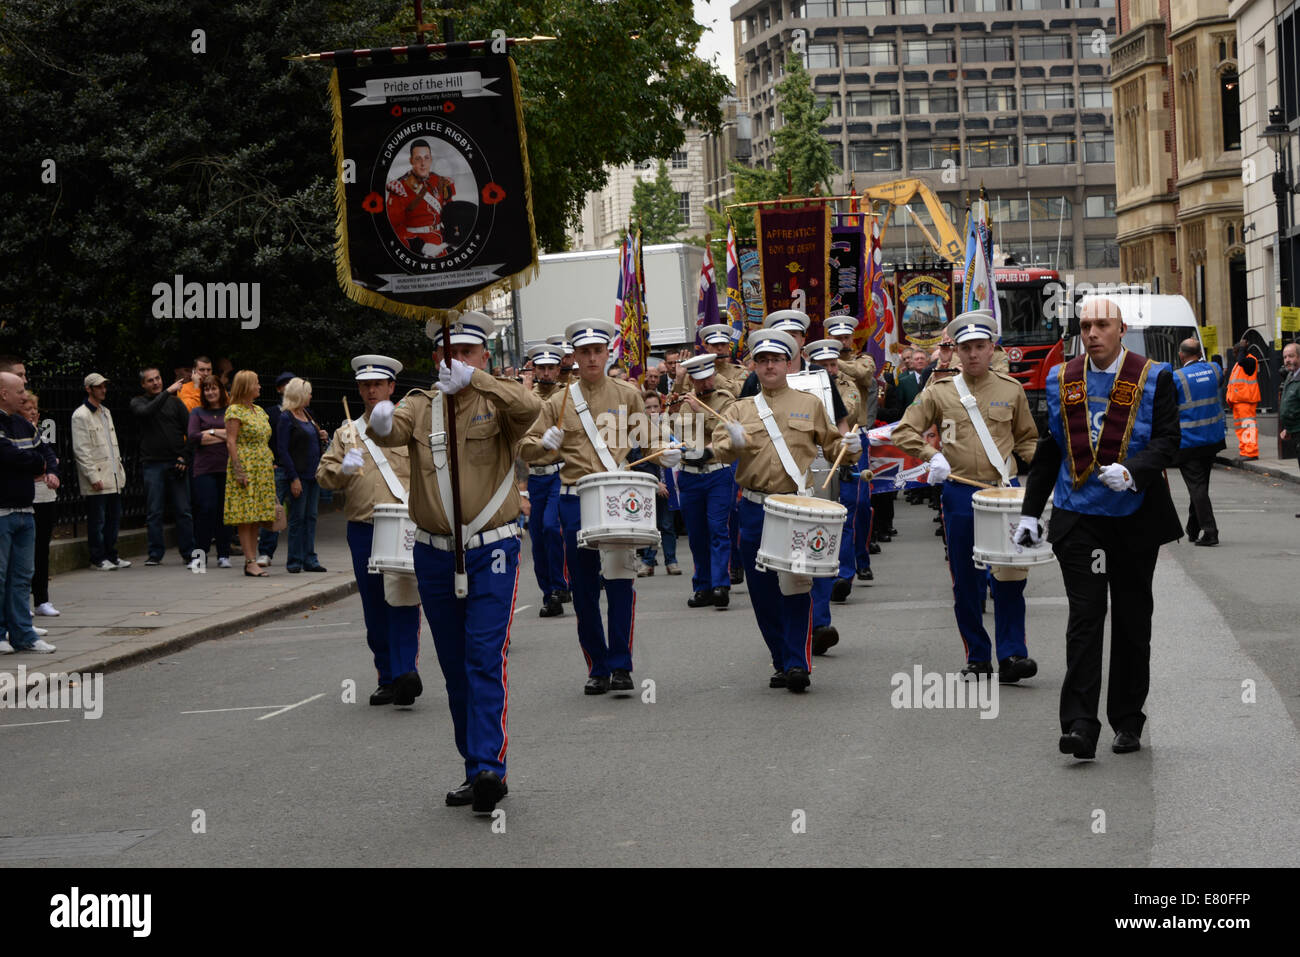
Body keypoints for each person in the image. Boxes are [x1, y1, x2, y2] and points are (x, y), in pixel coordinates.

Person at [368, 312, 542, 814]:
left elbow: (531, 409)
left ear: (483, 356)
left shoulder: (498, 400)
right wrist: (379, 419)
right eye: (449, 354)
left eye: (467, 353)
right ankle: (473, 768)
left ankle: (491, 767)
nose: (456, 361)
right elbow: (391, 430)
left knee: (484, 655)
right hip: (433, 552)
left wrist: (479, 381)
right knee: (453, 664)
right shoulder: (420, 405)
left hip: (492, 548)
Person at [1017, 297, 1182, 760]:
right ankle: (1080, 726)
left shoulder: (1156, 377)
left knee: (1132, 621)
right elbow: (1051, 448)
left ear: (1121, 329)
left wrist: (1134, 471)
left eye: (1102, 324)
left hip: (1134, 519)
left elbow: (1170, 441)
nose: (1092, 333)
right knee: (1085, 620)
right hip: (1080, 518)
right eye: (1086, 325)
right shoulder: (1061, 378)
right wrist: (1032, 511)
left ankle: (1127, 720)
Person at [520, 318, 678, 696]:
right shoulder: (557, 401)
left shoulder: (627, 394)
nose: (592, 358)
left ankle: (622, 665)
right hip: (575, 497)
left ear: (608, 353)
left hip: (619, 495)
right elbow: (524, 446)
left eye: (598, 351)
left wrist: (667, 449)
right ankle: (598, 666)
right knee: (585, 589)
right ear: (572, 357)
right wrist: (543, 444)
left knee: (622, 580)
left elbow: (648, 436)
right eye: (584, 352)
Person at [893, 312, 1041, 683]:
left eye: (980, 347)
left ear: (992, 348)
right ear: (956, 351)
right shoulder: (939, 391)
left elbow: (1027, 439)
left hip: (1003, 492)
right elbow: (904, 431)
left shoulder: (1012, 389)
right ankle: (978, 655)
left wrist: (1048, 474)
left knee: (1009, 576)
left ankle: (1012, 655)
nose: (973, 354)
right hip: (959, 492)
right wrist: (933, 456)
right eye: (966, 348)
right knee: (966, 578)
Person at [710, 329, 858, 693]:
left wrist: (851, 446)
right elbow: (718, 449)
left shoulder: (810, 403)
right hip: (755, 508)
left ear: (789, 363)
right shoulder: (738, 409)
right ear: (754, 366)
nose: (770, 365)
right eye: (762, 360)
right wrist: (734, 441)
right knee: (762, 592)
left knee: (796, 585)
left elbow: (833, 443)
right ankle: (781, 658)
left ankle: (797, 663)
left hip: (796, 507)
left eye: (776, 359)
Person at [317, 354, 420, 706]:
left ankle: (406, 672)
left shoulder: (410, 427)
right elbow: (323, 476)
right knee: (375, 606)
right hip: (363, 527)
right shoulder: (347, 432)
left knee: (404, 599)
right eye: (365, 385)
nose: (371, 390)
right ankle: (387, 675)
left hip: (405, 523)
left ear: (392, 387)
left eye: (378, 384)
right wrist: (344, 468)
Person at [804, 338, 875, 605]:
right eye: (824, 365)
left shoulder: (848, 386)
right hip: (813, 456)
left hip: (844, 449)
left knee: (850, 507)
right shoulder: (802, 387)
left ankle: (844, 575)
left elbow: (851, 410)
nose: (831, 370)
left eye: (833, 364)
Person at [673, 354, 737, 608]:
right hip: (690, 474)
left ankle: (721, 585)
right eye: (698, 380)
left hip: (717, 472)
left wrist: (704, 414)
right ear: (692, 380)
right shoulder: (685, 403)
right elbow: (678, 431)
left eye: (708, 378)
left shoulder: (726, 399)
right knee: (697, 535)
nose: (705, 384)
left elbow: (729, 430)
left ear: (713, 374)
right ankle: (703, 586)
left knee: (718, 529)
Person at [0, 371, 55, 654]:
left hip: (25, 510)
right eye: (20, 390)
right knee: (0, 577)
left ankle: (24, 635)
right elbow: (6, 455)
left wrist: (35, 462)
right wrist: (32, 462)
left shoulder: (23, 424)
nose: (25, 395)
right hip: (2, 514)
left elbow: (44, 455)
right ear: (3, 393)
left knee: (22, 577)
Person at [522, 342, 571, 617]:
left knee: (553, 527)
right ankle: (549, 593)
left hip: (558, 473)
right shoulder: (525, 398)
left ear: (558, 368)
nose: (547, 372)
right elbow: (517, 446)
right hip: (535, 478)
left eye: (551, 367)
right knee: (538, 538)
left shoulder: (566, 396)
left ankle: (562, 583)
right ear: (534, 369)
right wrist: (521, 489)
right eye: (541, 367)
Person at [131, 366, 196, 568]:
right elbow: (147, 413)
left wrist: (184, 458)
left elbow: (191, 433)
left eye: (158, 378)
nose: (156, 383)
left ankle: (189, 553)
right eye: (150, 380)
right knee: (154, 511)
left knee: (183, 510)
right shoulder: (138, 402)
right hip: (152, 463)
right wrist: (167, 392)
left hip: (176, 462)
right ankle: (155, 554)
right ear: (143, 384)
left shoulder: (176, 404)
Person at [70, 373, 129, 571]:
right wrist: (92, 476)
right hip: (98, 475)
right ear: (89, 389)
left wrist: (118, 471)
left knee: (113, 518)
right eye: (99, 387)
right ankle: (97, 557)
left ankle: (111, 554)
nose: (103, 390)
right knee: (98, 520)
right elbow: (82, 450)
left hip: (112, 473)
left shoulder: (106, 412)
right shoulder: (80, 415)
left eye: (104, 386)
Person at [1172, 337, 1226, 546]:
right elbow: (1219, 382)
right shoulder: (1214, 369)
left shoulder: (1177, 377)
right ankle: (1193, 528)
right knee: (1201, 485)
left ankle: (1210, 531)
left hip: (1189, 441)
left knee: (1197, 487)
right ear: (1200, 353)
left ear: (1181, 355)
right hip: (1212, 439)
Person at [224, 371, 278, 578]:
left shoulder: (259, 410)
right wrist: (238, 469)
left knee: (256, 516)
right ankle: (249, 561)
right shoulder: (234, 410)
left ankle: (253, 559)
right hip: (246, 466)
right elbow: (231, 441)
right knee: (246, 516)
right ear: (246, 386)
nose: (260, 386)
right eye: (256, 383)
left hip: (262, 467)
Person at [276, 378, 328, 574]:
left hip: (313, 475)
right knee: (298, 518)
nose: (311, 396)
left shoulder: (308, 415)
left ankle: (310, 558)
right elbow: (283, 450)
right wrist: (293, 478)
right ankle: (295, 560)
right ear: (299, 394)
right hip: (298, 475)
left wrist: (321, 435)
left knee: (311, 517)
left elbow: (312, 442)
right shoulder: (286, 418)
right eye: (308, 392)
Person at [187, 374, 234, 568]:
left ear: (221, 390)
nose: (210, 392)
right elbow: (194, 437)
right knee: (206, 509)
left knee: (224, 511)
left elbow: (235, 436)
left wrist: (211, 432)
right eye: (207, 389)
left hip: (226, 468)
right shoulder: (197, 413)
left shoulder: (230, 411)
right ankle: (199, 555)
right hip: (204, 469)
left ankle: (224, 554)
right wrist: (223, 435)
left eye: (214, 388)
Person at [23, 393, 61, 616]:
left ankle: (42, 599)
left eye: (35, 409)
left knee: (42, 550)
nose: (33, 413)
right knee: (25, 553)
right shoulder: (15, 435)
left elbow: (53, 460)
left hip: (46, 497)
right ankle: (22, 602)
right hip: (26, 498)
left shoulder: (42, 434)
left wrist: (51, 469)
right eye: (28, 409)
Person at [386, 139, 457, 259]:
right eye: (418, 159)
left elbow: (450, 214)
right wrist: (420, 246)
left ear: (431, 159)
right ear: (411, 161)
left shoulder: (440, 181)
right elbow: (395, 226)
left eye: (426, 158)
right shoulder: (400, 187)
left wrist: (453, 236)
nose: (423, 163)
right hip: (415, 245)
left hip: (441, 241)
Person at [637, 391, 681, 577]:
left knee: (668, 525)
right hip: (649, 484)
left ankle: (671, 561)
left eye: (656, 406)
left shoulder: (666, 429)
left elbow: (676, 450)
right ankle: (648, 562)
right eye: (648, 407)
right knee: (650, 525)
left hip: (668, 482)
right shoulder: (638, 432)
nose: (653, 410)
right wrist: (655, 483)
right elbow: (639, 460)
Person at [255, 371, 297, 566]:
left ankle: (300, 555)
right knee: (273, 511)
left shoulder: (304, 412)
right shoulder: (271, 413)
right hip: (278, 467)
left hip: (299, 468)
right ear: (279, 389)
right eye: (285, 384)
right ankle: (265, 552)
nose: (290, 387)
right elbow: (265, 439)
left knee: (301, 514)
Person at [1226, 339, 1261, 459]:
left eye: (1236, 352)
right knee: (1241, 429)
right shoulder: (1240, 363)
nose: (1235, 355)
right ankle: (1245, 451)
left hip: (1246, 400)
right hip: (1239, 401)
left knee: (1248, 427)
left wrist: (1241, 348)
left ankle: (1251, 452)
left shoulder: (1250, 361)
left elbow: (1241, 361)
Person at [1279, 342, 1300, 517]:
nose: (1287, 360)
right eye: (1285, 357)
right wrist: (1287, 428)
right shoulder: (1291, 376)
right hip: (1295, 430)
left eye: (1291, 356)